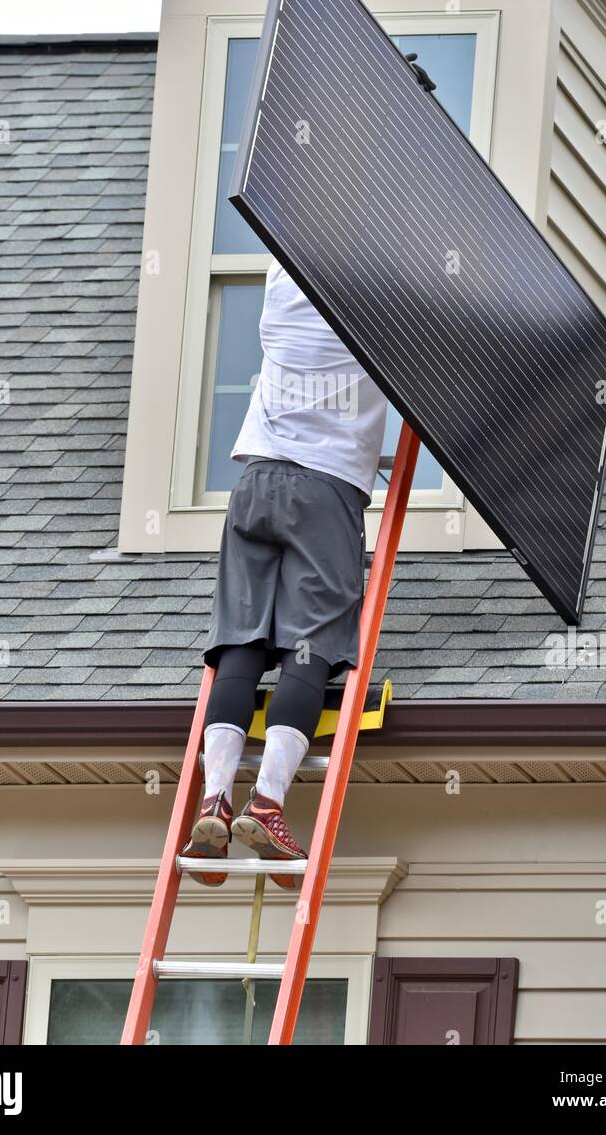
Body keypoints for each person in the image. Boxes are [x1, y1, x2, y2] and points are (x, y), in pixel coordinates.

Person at [181, 258, 388, 886]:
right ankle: (267, 802)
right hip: (324, 489)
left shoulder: (280, 281)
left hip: (254, 482)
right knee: (310, 646)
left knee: (240, 642)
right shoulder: (376, 294)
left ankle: (214, 799)